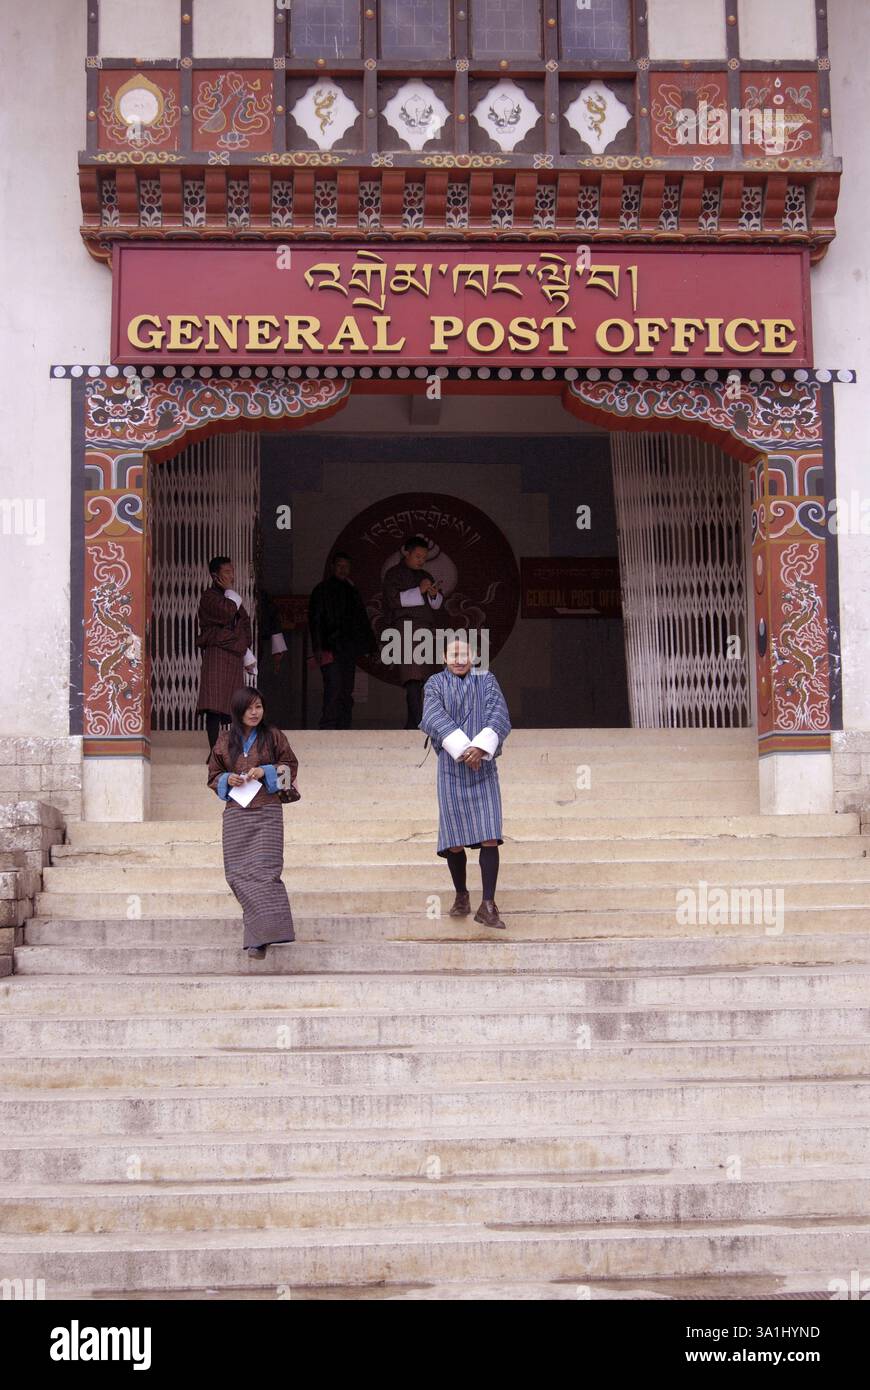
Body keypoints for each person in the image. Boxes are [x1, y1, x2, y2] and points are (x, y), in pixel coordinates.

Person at [420, 638, 512, 930]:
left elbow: (498, 714)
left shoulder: (486, 679)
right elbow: (434, 717)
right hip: (451, 768)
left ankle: (488, 904)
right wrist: (462, 749)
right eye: (453, 654)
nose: (459, 659)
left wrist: (480, 749)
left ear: (474, 656)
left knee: (489, 834)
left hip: (483, 768)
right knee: (455, 840)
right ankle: (461, 894)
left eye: (464, 654)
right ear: (444, 657)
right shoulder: (434, 684)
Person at [207, 686, 298, 961]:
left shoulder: (273, 736)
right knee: (236, 874)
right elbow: (213, 776)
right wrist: (227, 780)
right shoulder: (224, 740)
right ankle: (262, 934)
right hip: (236, 813)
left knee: (265, 872)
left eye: (258, 707)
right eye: (249, 708)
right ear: (238, 711)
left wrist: (266, 771)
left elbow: (290, 769)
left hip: (268, 812)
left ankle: (261, 939)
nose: (255, 712)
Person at [382, 535, 445, 729]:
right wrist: (418, 590)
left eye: (424, 557)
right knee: (412, 677)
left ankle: (416, 721)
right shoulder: (394, 574)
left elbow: (436, 605)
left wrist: (433, 595)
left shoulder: (425, 575)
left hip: (425, 629)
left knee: (424, 679)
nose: (421, 560)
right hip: (406, 628)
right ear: (406, 553)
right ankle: (416, 722)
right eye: (417, 556)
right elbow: (393, 600)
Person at [308, 552, 375, 730]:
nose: (343, 570)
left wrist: (371, 647)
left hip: (348, 649)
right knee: (334, 688)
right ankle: (328, 727)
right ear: (332, 567)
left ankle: (344, 727)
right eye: (340, 566)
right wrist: (318, 648)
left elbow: (362, 620)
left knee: (346, 690)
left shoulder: (352, 591)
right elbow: (315, 621)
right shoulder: (321, 590)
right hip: (329, 647)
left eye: (346, 566)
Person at [196, 556, 257, 751]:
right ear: (215, 576)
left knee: (234, 706)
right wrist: (241, 646)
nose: (232, 576)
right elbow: (227, 612)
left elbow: (245, 626)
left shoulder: (233, 598)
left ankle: (233, 750)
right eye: (227, 572)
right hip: (217, 656)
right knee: (213, 704)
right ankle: (215, 751)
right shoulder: (209, 597)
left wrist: (244, 648)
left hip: (232, 656)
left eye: (233, 571)